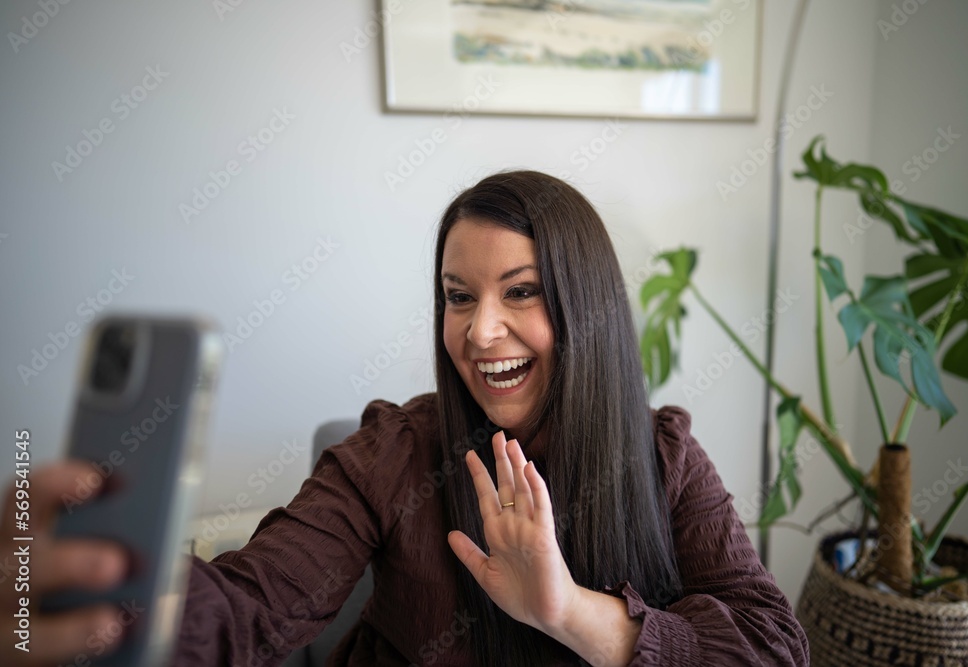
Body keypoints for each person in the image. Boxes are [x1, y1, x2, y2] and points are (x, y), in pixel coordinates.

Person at [1, 170, 809, 666]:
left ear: (585, 309)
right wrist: (95, 608)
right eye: (459, 296)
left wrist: (569, 612)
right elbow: (248, 609)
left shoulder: (664, 455)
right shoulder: (393, 451)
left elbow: (776, 648)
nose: (478, 330)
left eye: (520, 291)